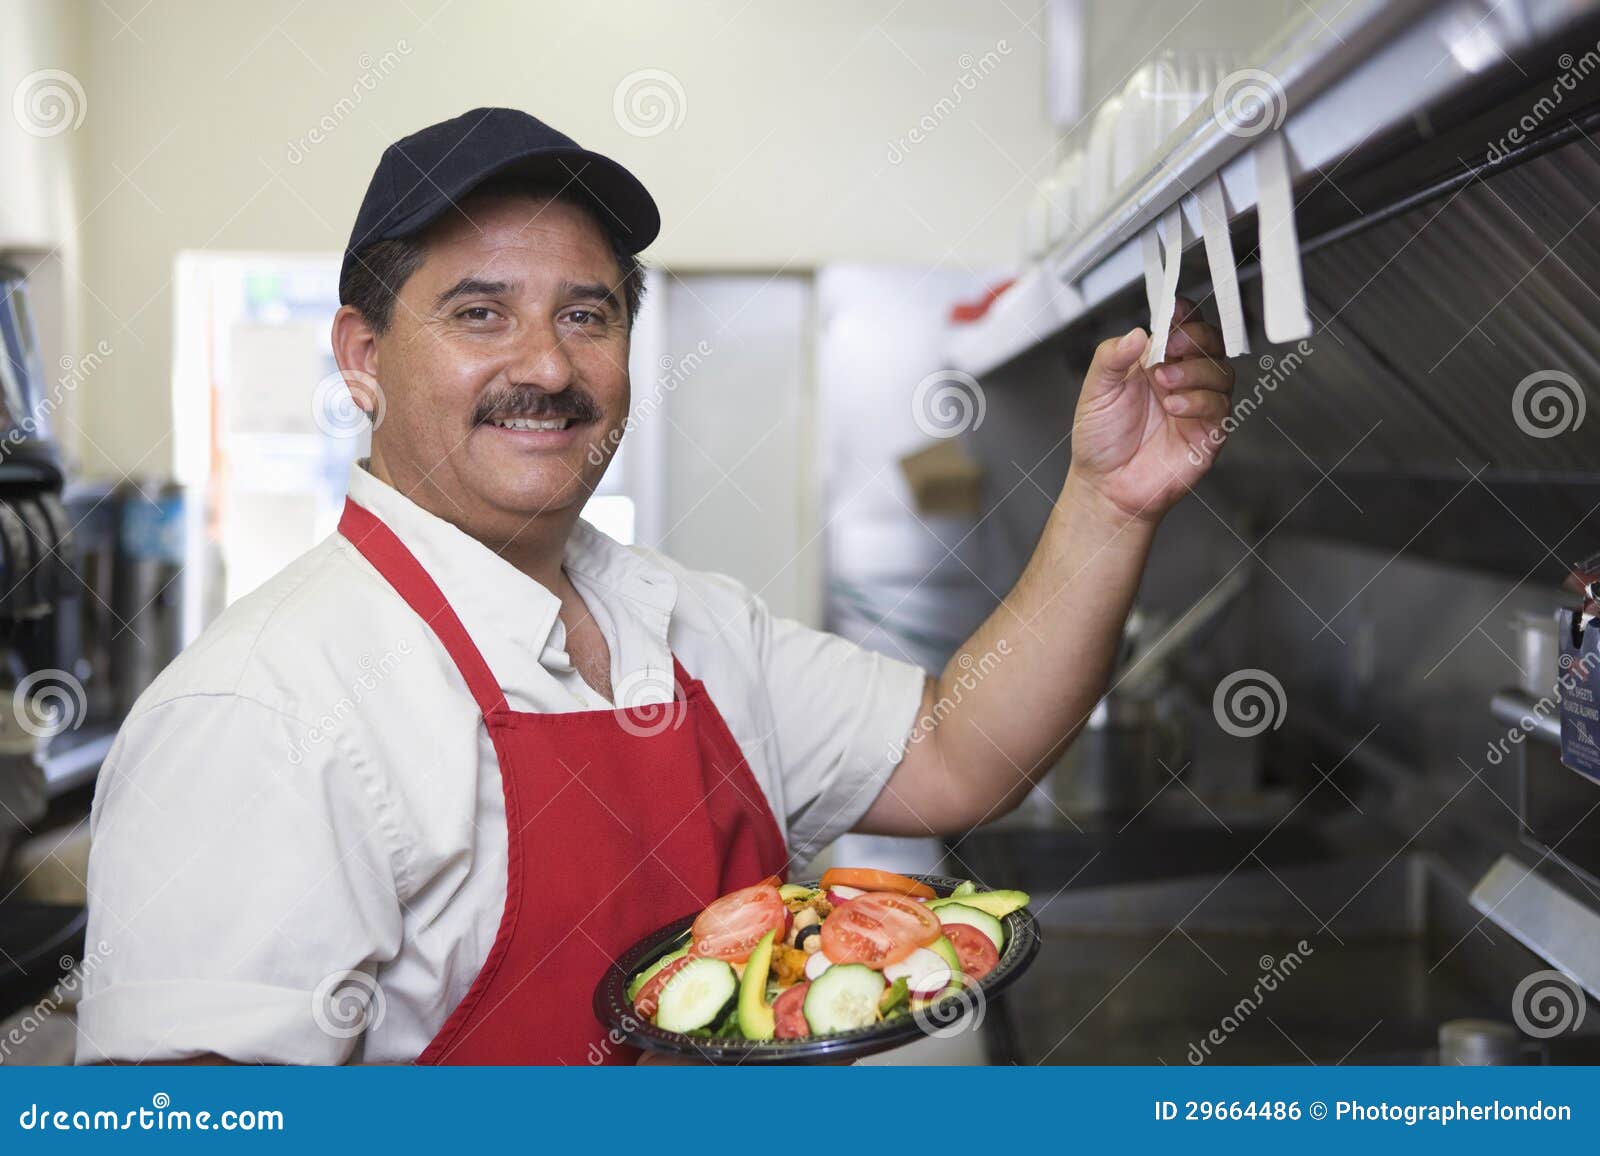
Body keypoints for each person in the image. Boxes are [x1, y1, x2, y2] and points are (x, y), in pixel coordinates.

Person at [77, 108, 1235, 1064]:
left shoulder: (684, 618)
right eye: (480, 313)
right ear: (363, 357)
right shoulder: (261, 712)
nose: (546, 364)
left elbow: (953, 751)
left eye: (586, 315)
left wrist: (1108, 503)